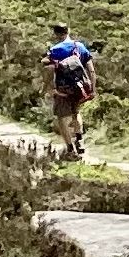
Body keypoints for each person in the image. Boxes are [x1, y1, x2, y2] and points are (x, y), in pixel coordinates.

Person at [42, 22, 95, 159]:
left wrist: (47, 88)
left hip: (63, 89)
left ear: (56, 34)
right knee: (75, 112)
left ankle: (70, 149)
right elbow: (91, 70)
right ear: (68, 31)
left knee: (61, 118)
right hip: (79, 87)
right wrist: (92, 89)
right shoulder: (80, 47)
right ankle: (80, 140)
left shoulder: (55, 50)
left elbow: (49, 69)